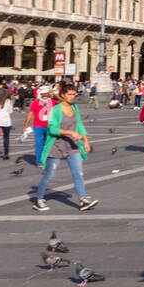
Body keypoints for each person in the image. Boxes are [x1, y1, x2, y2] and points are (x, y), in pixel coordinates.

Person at [31, 83, 97, 211]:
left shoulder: (74, 108)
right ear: (62, 95)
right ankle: (38, 199)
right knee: (49, 175)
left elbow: (79, 125)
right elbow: (52, 129)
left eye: (74, 94)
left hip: (72, 146)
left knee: (78, 173)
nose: (72, 97)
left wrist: (86, 141)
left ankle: (82, 200)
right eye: (69, 94)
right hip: (56, 146)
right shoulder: (56, 110)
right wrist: (70, 132)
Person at [21, 86, 55, 166]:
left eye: (46, 92)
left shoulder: (53, 102)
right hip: (38, 126)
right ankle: (39, 161)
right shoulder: (35, 102)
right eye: (43, 93)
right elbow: (30, 114)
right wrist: (25, 126)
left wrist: (55, 94)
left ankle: (46, 159)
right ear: (41, 93)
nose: (45, 94)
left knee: (47, 144)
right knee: (39, 143)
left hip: (49, 126)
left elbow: (63, 102)